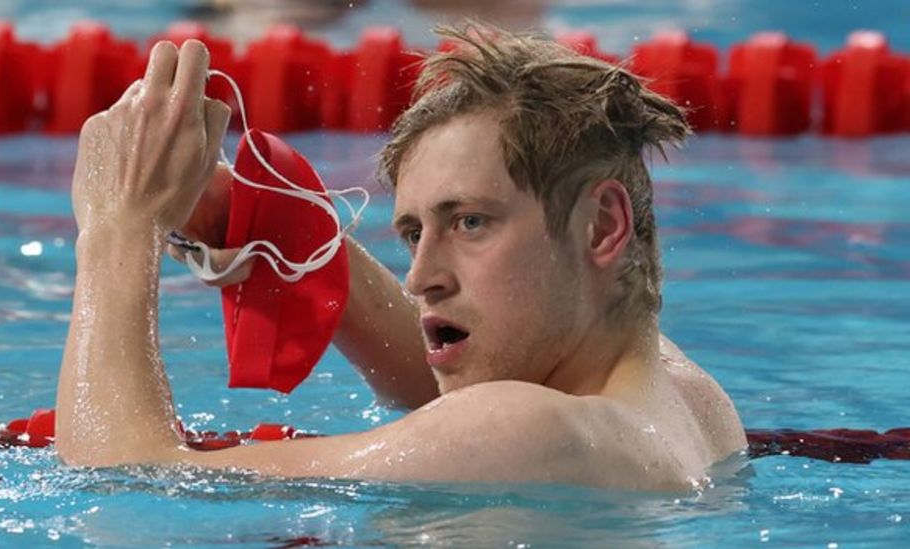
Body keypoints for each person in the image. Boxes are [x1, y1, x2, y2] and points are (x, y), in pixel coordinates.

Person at [55, 24, 746, 490]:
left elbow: (123, 477)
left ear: (602, 227)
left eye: (470, 222)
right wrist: (289, 235)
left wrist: (118, 225)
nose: (421, 278)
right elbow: (483, 395)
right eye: (415, 232)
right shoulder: (686, 399)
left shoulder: (532, 430)